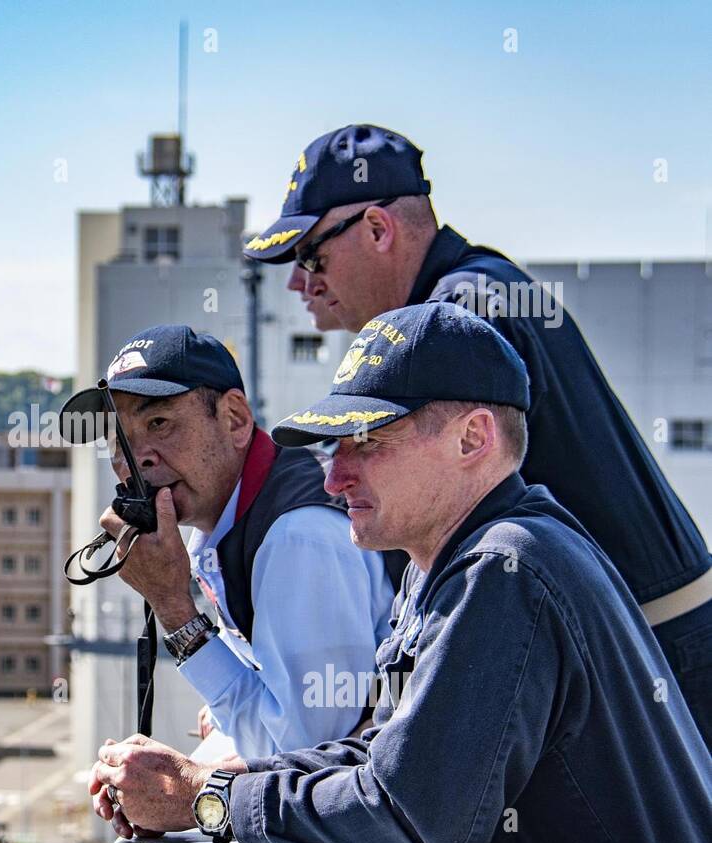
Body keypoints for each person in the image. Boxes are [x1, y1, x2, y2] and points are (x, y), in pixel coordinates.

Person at [90, 303, 712, 843]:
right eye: (335, 449)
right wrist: (212, 785)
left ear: (472, 438)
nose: (336, 479)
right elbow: (376, 758)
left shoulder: (501, 567)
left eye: (368, 441)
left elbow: (413, 813)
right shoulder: (449, 559)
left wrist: (206, 799)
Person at [242, 123, 712, 749]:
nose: (299, 283)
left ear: (378, 230)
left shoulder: (455, 319)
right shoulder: (479, 285)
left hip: (650, 653)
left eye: (311, 257)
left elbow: (409, 513)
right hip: (655, 638)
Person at [61, 325, 393, 759]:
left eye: (158, 422)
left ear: (234, 418)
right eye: (119, 440)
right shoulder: (229, 513)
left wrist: (173, 609)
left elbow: (304, 753)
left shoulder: (296, 535)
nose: (136, 458)